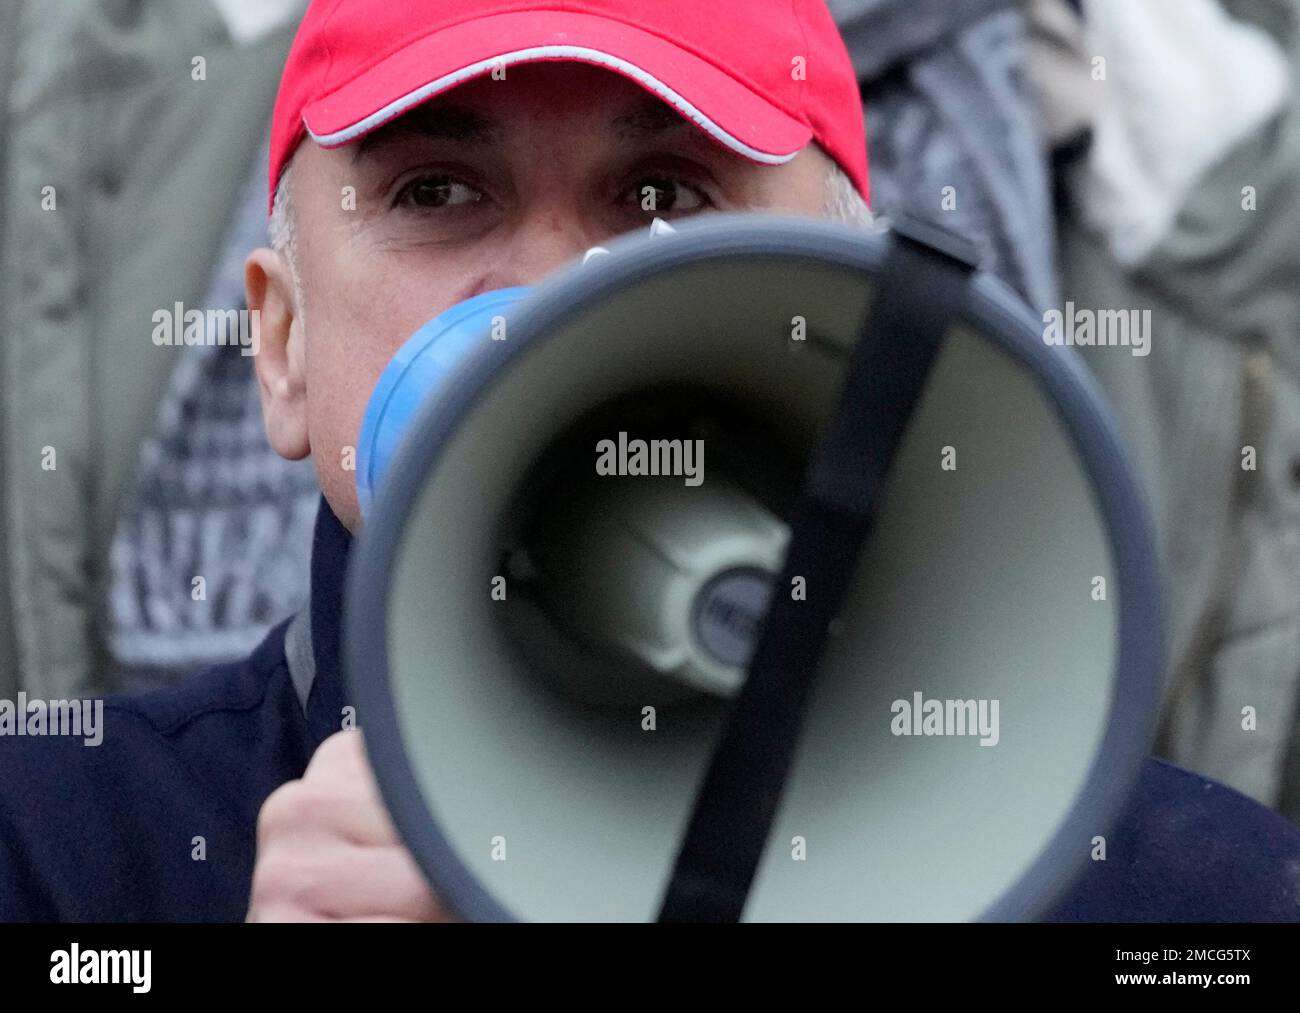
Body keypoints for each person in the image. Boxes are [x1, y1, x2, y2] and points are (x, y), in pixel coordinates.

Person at [0, 0, 1296, 923]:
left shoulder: (1198, 895)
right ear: (279, 346)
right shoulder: (56, 851)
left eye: (666, 195)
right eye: (440, 191)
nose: (558, 294)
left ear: (853, 307)